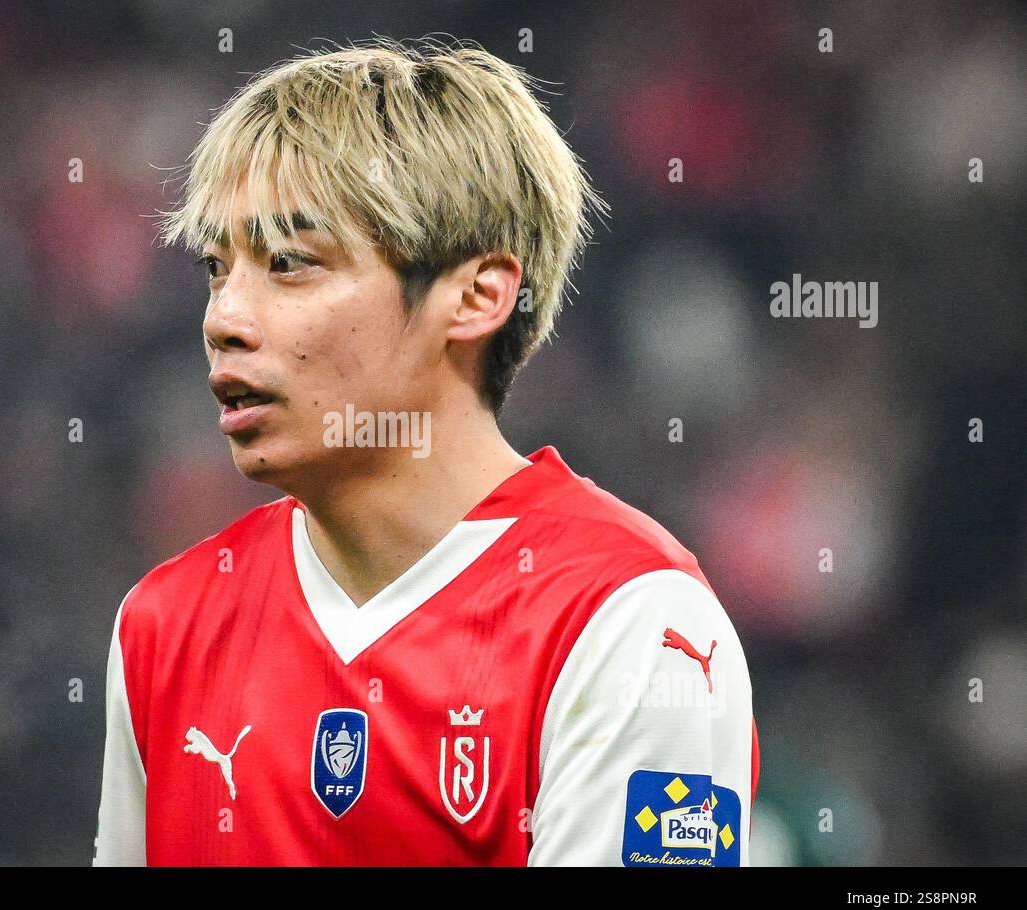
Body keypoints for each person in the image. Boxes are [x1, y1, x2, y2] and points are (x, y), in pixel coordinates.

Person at [93, 37, 758, 866]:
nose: (223, 318)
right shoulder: (162, 626)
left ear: (476, 296)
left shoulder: (633, 623)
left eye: (289, 263)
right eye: (216, 269)